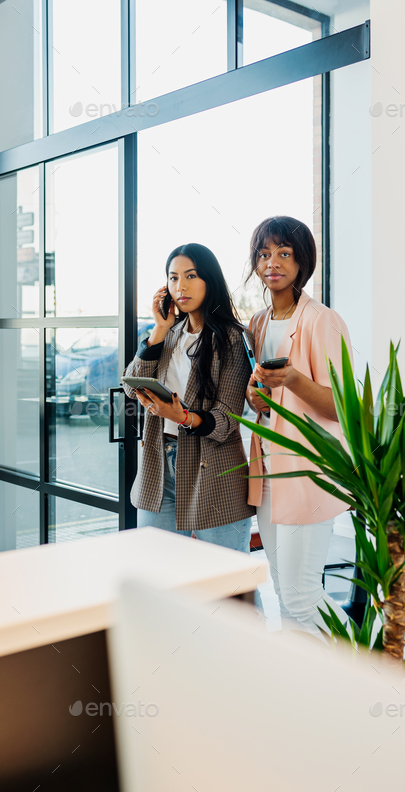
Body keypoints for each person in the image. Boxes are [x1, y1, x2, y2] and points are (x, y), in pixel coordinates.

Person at [245, 216, 352, 635]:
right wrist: (257, 399)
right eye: (264, 254)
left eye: (284, 253)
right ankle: (302, 674)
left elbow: (342, 407)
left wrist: (292, 379)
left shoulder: (322, 320)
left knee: (302, 594)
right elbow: (264, 401)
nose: (272, 262)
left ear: (302, 261)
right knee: (284, 592)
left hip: (306, 471)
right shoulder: (258, 323)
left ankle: (366, 662)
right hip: (269, 472)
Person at [123, 243, 254, 550]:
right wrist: (159, 329)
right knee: (158, 569)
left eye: (191, 276)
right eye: (173, 278)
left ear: (210, 280)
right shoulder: (169, 334)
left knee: (226, 575)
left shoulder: (234, 338)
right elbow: (130, 387)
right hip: (159, 465)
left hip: (215, 472)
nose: (180, 286)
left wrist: (181, 417)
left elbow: (226, 420)